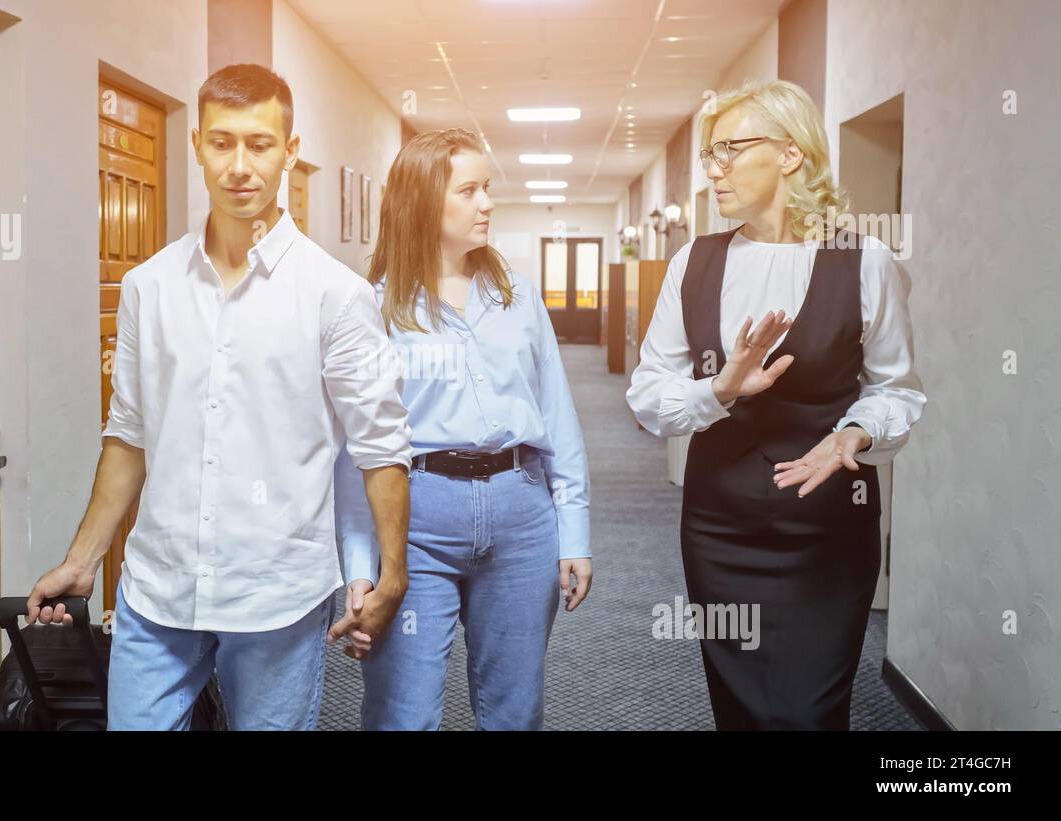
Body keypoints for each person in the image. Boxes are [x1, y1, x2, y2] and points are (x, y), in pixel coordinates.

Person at [25, 63, 413, 730]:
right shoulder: (149, 286)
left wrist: (392, 573)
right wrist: (83, 560)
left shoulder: (335, 294)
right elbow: (129, 435)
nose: (240, 165)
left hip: (277, 594)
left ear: (290, 152)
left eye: (260, 144)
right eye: (222, 142)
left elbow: (381, 449)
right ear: (198, 144)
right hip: (158, 587)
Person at [627, 79, 926, 730]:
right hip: (719, 530)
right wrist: (721, 388)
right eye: (710, 153)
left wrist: (857, 432)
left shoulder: (863, 260)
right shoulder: (692, 263)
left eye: (730, 149)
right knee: (741, 712)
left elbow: (897, 387)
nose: (713, 169)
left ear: (791, 154)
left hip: (826, 536)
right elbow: (649, 397)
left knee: (809, 714)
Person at [331, 128, 592, 730]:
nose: (487, 203)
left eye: (488, 188)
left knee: (514, 712)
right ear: (423, 202)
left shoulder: (518, 297)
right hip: (414, 522)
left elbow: (558, 421)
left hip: (522, 517)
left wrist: (573, 530)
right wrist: (360, 568)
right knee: (403, 713)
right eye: (469, 190)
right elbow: (356, 454)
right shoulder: (372, 308)